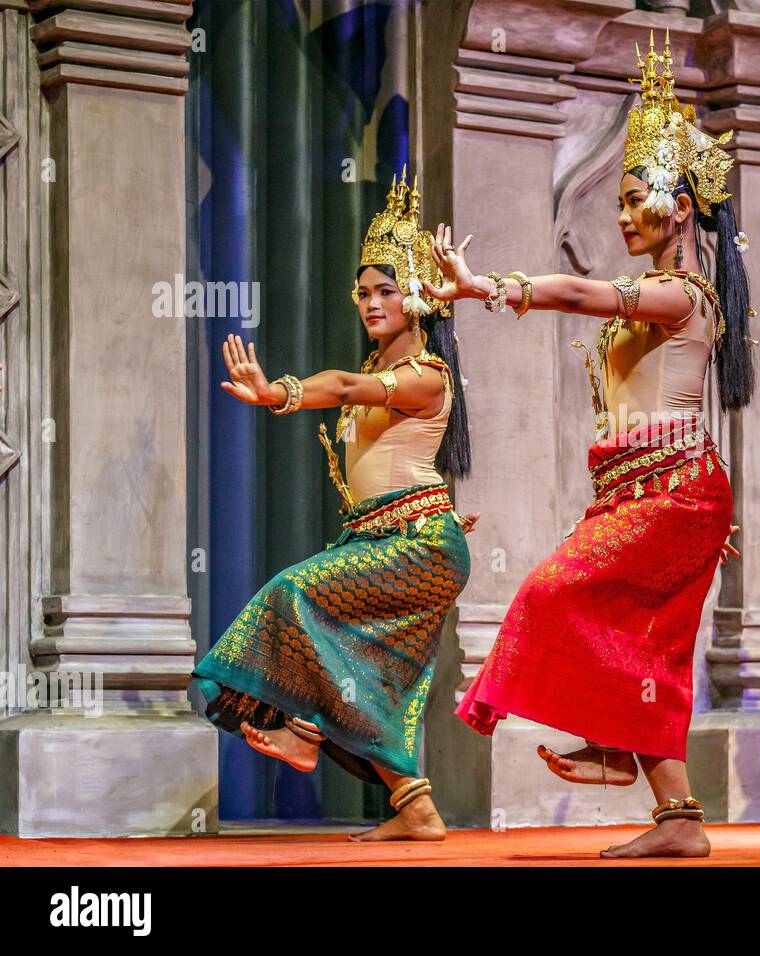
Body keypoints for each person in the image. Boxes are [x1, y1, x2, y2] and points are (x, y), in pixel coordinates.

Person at [424, 31, 753, 858]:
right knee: (645, 645)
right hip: (656, 493)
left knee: (547, 594)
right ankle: (677, 818)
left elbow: (578, 290)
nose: (619, 210)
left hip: (675, 492)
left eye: (633, 196)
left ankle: (618, 746)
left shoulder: (678, 293)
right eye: (617, 197)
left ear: (679, 208)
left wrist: (484, 287)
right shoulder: (663, 293)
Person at [192, 170, 477, 842]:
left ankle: (296, 734)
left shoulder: (424, 376)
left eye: (386, 290)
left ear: (418, 298)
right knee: (363, 680)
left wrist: (280, 393)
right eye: (363, 291)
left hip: (419, 546)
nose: (371, 302)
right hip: (383, 540)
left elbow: (347, 383)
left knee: (291, 593)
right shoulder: (382, 372)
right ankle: (416, 807)